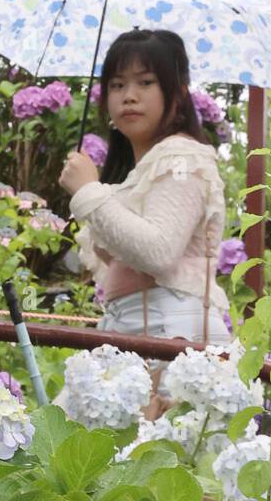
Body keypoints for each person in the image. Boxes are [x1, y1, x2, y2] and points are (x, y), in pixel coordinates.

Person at [58, 29, 231, 380]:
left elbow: (158, 251)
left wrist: (89, 193)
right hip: (134, 334)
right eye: (118, 85)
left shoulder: (182, 158)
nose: (129, 97)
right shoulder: (140, 173)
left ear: (178, 94)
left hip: (171, 336)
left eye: (146, 82)